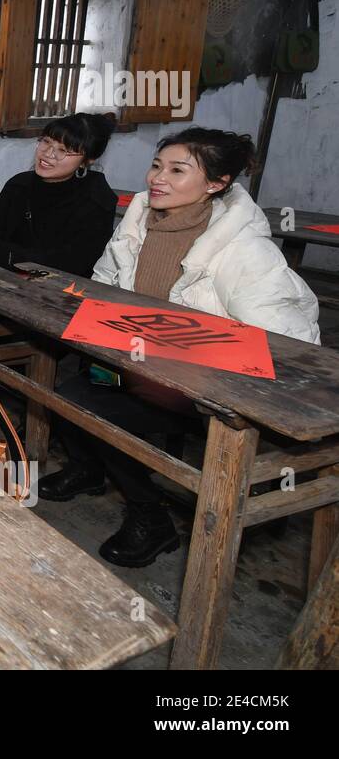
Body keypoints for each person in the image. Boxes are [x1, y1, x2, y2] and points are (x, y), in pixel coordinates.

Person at [42, 127, 321, 567]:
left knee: (94, 406)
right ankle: (95, 471)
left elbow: (287, 349)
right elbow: (106, 286)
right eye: (157, 166)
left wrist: (187, 380)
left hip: (215, 391)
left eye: (177, 170)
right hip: (142, 366)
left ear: (216, 184)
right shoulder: (138, 221)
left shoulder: (245, 251)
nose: (159, 179)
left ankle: (147, 517)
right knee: (72, 392)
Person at [0, 112, 117, 277]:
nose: (48, 154)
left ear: (87, 160)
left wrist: (10, 256)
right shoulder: (19, 185)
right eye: (46, 141)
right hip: (5, 281)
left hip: (60, 293)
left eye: (63, 150)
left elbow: (76, 263)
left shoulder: (97, 200)